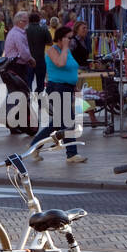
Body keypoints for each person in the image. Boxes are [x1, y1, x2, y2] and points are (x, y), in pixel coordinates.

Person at [32, 26, 85, 163]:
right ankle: (71, 154)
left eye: (71, 37)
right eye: (68, 37)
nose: (70, 40)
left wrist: (74, 87)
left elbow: (71, 68)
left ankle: (35, 145)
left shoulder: (66, 51)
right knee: (67, 121)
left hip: (67, 88)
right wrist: (65, 48)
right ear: (61, 38)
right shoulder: (52, 50)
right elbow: (60, 64)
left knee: (58, 122)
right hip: (57, 88)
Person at [4, 11, 35, 93]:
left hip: (15, 64)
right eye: (25, 21)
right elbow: (23, 52)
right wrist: (31, 59)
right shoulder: (17, 34)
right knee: (18, 91)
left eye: (27, 20)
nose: (27, 23)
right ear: (19, 22)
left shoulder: (16, 32)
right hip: (16, 66)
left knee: (15, 91)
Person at [27, 12, 51, 93]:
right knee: (40, 84)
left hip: (28, 60)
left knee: (28, 83)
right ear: (39, 20)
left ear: (29, 20)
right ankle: (39, 102)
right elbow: (50, 42)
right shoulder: (43, 29)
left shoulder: (25, 30)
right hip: (40, 59)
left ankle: (28, 101)